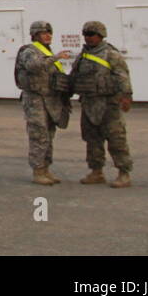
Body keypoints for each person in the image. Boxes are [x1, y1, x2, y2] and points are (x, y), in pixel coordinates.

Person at [68, 20, 133, 188]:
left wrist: (126, 96)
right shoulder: (83, 55)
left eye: (91, 34)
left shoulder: (111, 54)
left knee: (116, 139)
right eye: (86, 35)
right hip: (89, 104)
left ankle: (123, 172)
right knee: (92, 140)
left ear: (100, 35)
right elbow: (74, 76)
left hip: (109, 104)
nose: (88, 38)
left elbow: (122, 75)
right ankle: (96, 172)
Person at [14, 20, 72, 185]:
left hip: (51, 100)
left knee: (49, 135)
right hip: (35, 100)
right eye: (43, 33)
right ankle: (38, 171)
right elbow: (34, 66)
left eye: (49, 33)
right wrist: (55, 57)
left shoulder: (47, 51)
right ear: (35, 35)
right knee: (38, 135)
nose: (48, 36)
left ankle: (46, 168)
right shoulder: (29, 51)